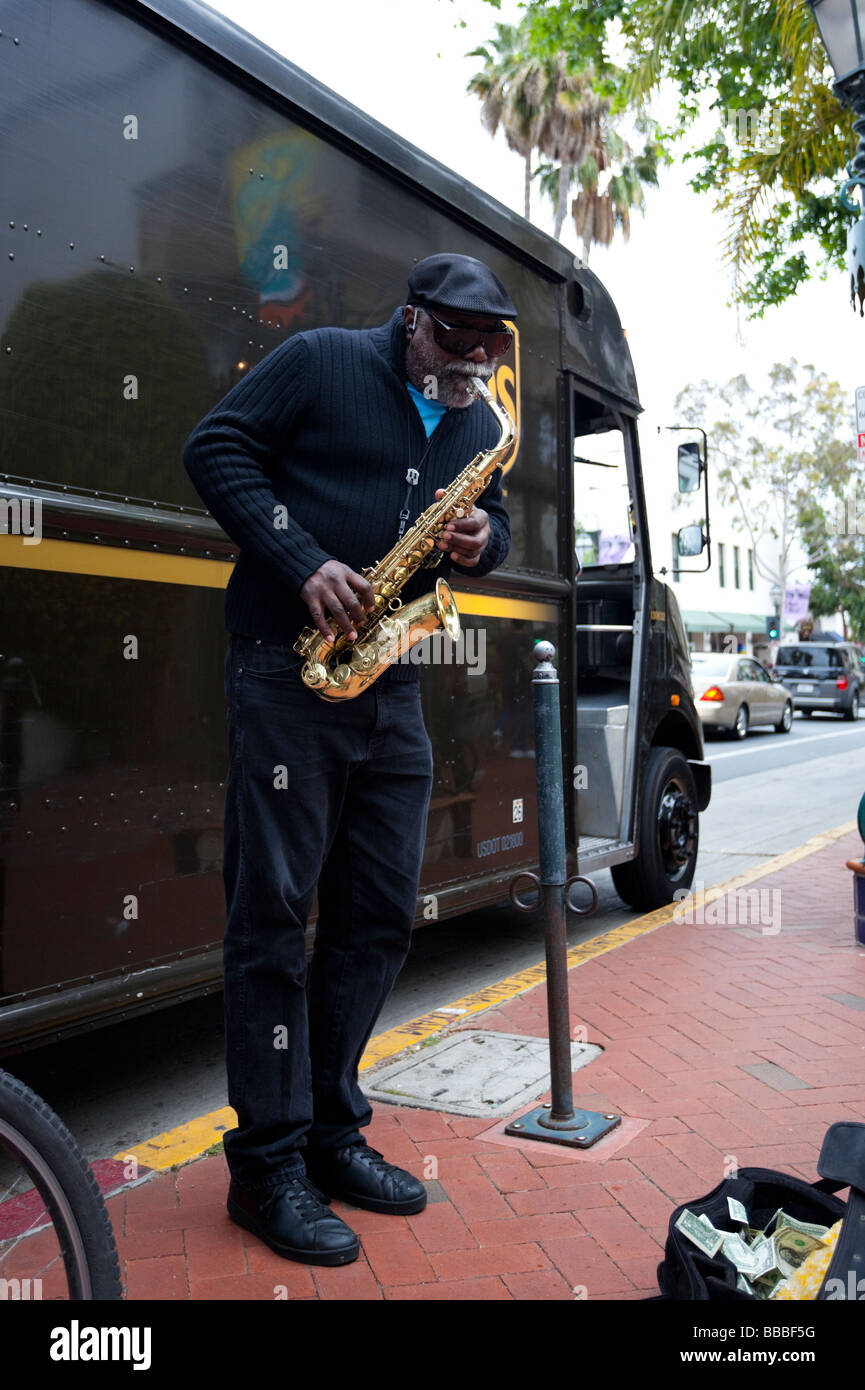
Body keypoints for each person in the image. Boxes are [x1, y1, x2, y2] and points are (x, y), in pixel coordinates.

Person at [183, 253, 516, 1267]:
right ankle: (267, 1165)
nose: (473, 364)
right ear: (411, 321)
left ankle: (331, 1132)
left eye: (490, 346)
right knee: (274, 922)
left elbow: (493, 523)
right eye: (456, 341)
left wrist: (480, 538)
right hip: (286, 676)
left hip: (392, 682)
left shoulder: (474, 422)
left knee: (376, 916)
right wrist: (300, 557)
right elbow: (215, 449)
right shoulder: (323, 360)